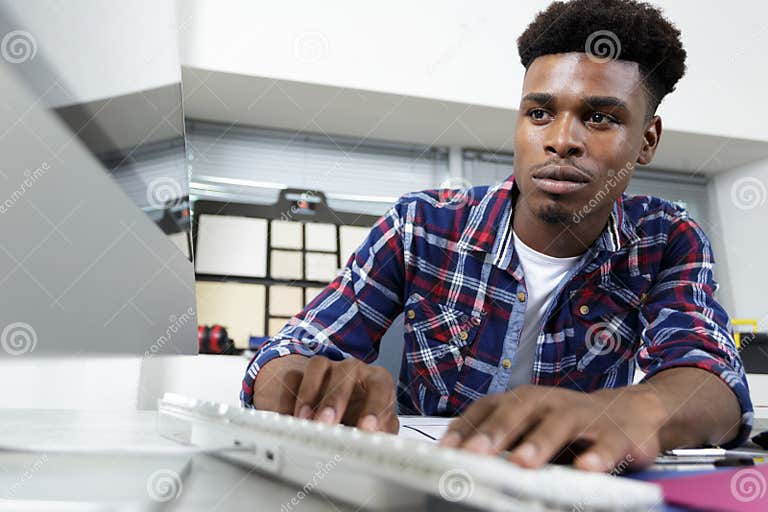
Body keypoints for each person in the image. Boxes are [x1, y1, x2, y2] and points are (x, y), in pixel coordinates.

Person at [241, 0, 752, 472]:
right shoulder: (421, 225)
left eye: (600, 118)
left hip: (571, 486)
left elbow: (715, 380)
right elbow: (284, 355)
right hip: (425, 482)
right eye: (540, 113)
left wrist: (633, 411)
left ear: (647, 139)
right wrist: (308, 384)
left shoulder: (665, 239)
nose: (560, 140)